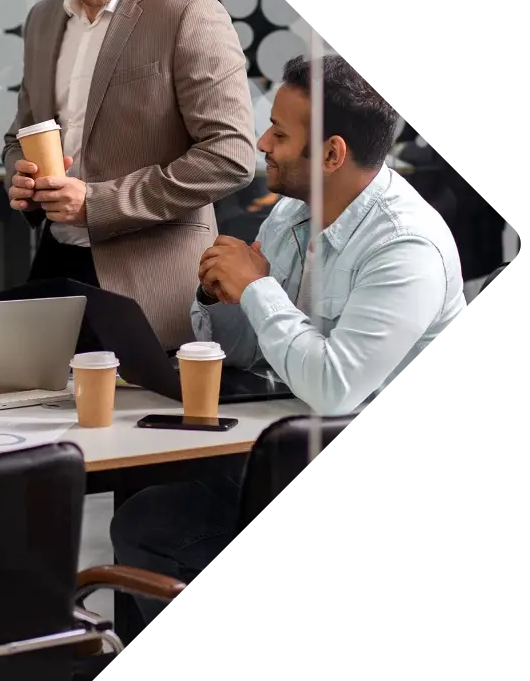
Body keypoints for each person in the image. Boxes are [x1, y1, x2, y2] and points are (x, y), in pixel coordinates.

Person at [110, 53, 466, 626]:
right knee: (145, 517)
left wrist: (257, 288)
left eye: (279, 132)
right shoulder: (294, 213)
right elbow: (252, 351)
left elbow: (333, 387)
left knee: (161, 524)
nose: (260, 141)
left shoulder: (405, 247)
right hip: (297, 456)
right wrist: (218, 294)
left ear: (331, 153)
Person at [3, 0, 256, 352]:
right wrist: (23, 176)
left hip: (152, 286)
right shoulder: (41, 20)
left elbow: (231, 157)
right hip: (56, 263)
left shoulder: (189, 15)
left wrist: (95, 203)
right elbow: (22, 133)